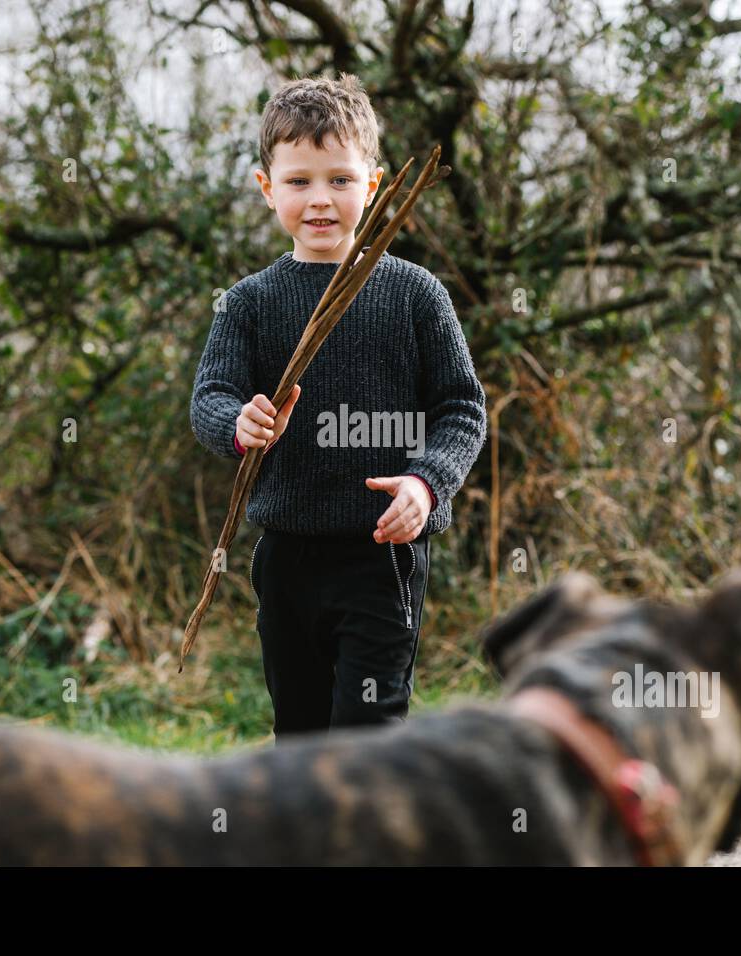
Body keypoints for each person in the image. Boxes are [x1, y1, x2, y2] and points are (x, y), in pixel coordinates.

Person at [190, 72, 486, 740]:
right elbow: (210, 397)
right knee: (300, 737)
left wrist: (425, 482)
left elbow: (461, 409)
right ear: (268, 189)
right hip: (286, 555)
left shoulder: (415, 295)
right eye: (298, 182)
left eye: (340, 180)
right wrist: (239, 423)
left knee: (366, 736)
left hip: (380, 556)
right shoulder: (250, 302)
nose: (320, 200)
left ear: (374, 185)